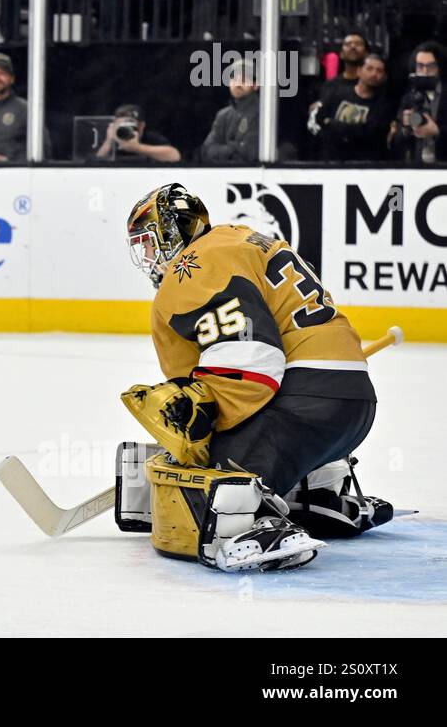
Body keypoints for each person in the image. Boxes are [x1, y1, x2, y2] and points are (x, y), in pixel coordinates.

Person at [120, 182, 389, 572]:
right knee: (261, 436)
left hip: (302, 407)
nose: (147, 257)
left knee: (214, 476)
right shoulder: (242, 240)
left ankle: (259, 522)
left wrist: (199, 415)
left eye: (149, 243)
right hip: (352, 407)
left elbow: (251, 362)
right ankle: (322, 492)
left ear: (172, 232)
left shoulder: (191, 266)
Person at [309, 52, 393, 161]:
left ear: (384, 77)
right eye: (369, 68)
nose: (374, 74)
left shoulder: (384, 106)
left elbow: (369, 134)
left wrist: (332, 123)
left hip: (364, 164)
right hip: (330, 161)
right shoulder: (336, 94)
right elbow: (318, 120)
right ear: (359, 71)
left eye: (379, 71)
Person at [388, 41, 444, 163]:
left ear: (440, 68)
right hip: (417, 166)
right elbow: (396, 141)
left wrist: (438, 131)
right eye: (420, 66)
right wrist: (404, 128)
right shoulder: (409, 97)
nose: (424, 72)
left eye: (431, 66)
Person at [200, 61, 260, 163]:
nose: (238, 84)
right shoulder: (223, 115)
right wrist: (235, 147)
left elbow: (250, 152)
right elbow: (207, 150)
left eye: (244, 80)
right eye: (234, 79)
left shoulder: (263, 113)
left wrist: (223, 147)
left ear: (255, 85)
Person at [93, 103, 181, 162]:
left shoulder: (150, 138)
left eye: (129, 124)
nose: (125, 128)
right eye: (120, 124)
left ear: (141, 126)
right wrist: (108, 141)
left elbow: (174, 156)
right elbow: (95, 163)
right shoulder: (111, 140)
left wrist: (137, 148)